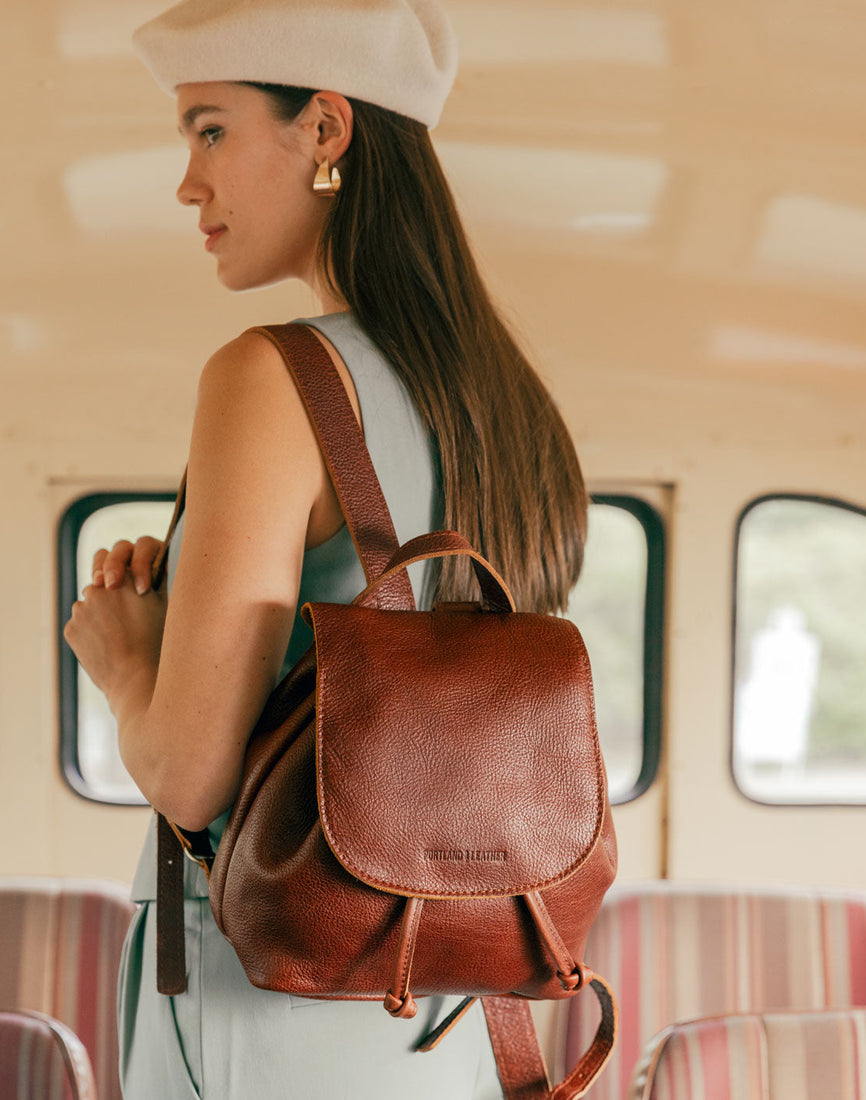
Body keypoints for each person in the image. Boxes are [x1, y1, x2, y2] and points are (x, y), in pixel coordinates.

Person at [63, 1, 589, 1096]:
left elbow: (192, 773)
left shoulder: (268, 375)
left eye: (209, 129)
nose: (187, 183)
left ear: (325, 131)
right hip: (466, 1003)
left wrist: (124, 660)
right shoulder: (513, 402)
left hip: (277, 997)